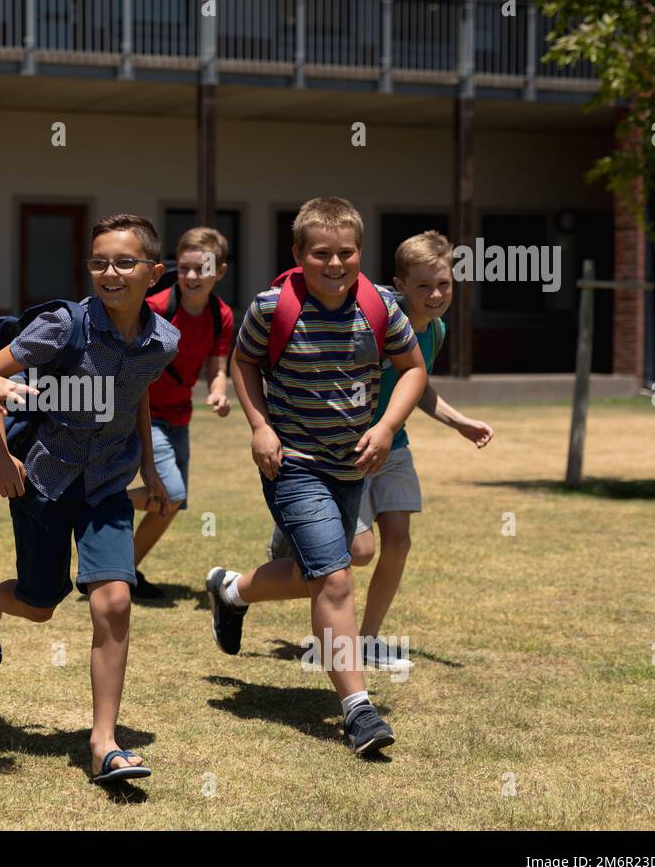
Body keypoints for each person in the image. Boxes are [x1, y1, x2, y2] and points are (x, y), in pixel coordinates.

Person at [203, 197, 426, 758]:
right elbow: (245, 363)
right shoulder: (272, 305)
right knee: (334, 577)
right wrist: (260, 425)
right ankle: (358, 710)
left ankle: (231, 590)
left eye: (346, 253)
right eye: (321, 253)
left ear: (360, 254)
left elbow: (413, 368)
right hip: (293, 464)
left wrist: (387, 426)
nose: (335, 264)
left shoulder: (381, 308)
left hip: (352, 464)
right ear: (298, 253)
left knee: (333, 561)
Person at [0, 214, 179, 785]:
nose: (110, 272)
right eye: (99, 261)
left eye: (125, 262)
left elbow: (136, 395)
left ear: (154, 272)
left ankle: (104, 741)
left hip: (107, 483)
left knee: (113, 601)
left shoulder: (163, 340)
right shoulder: (63, 326)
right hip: (43, 481)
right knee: (39, 603)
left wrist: (152, 469)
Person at [270, 230, 493, 670]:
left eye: (443, 284)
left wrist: (460, 423)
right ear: (401, 285)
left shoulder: (437, 331)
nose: (435, 294)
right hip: (345, 450)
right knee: (358, 552)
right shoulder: (378, 322)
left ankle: (366, 640)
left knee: (399, 542)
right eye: (424, 285)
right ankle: (278, 553)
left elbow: (418, 386)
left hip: (394, 447)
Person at [128, 226, 235, 599]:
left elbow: (217, 368)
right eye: (185, 268)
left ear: (219, 271)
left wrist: (220, 394)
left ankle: (124, 571)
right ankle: (102, 502)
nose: (191, 276)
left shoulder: (221, 315)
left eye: (201, 269)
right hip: (144, 412)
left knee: (171, 502)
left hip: (180, 415)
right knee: (169, 494)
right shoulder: (155, 309)